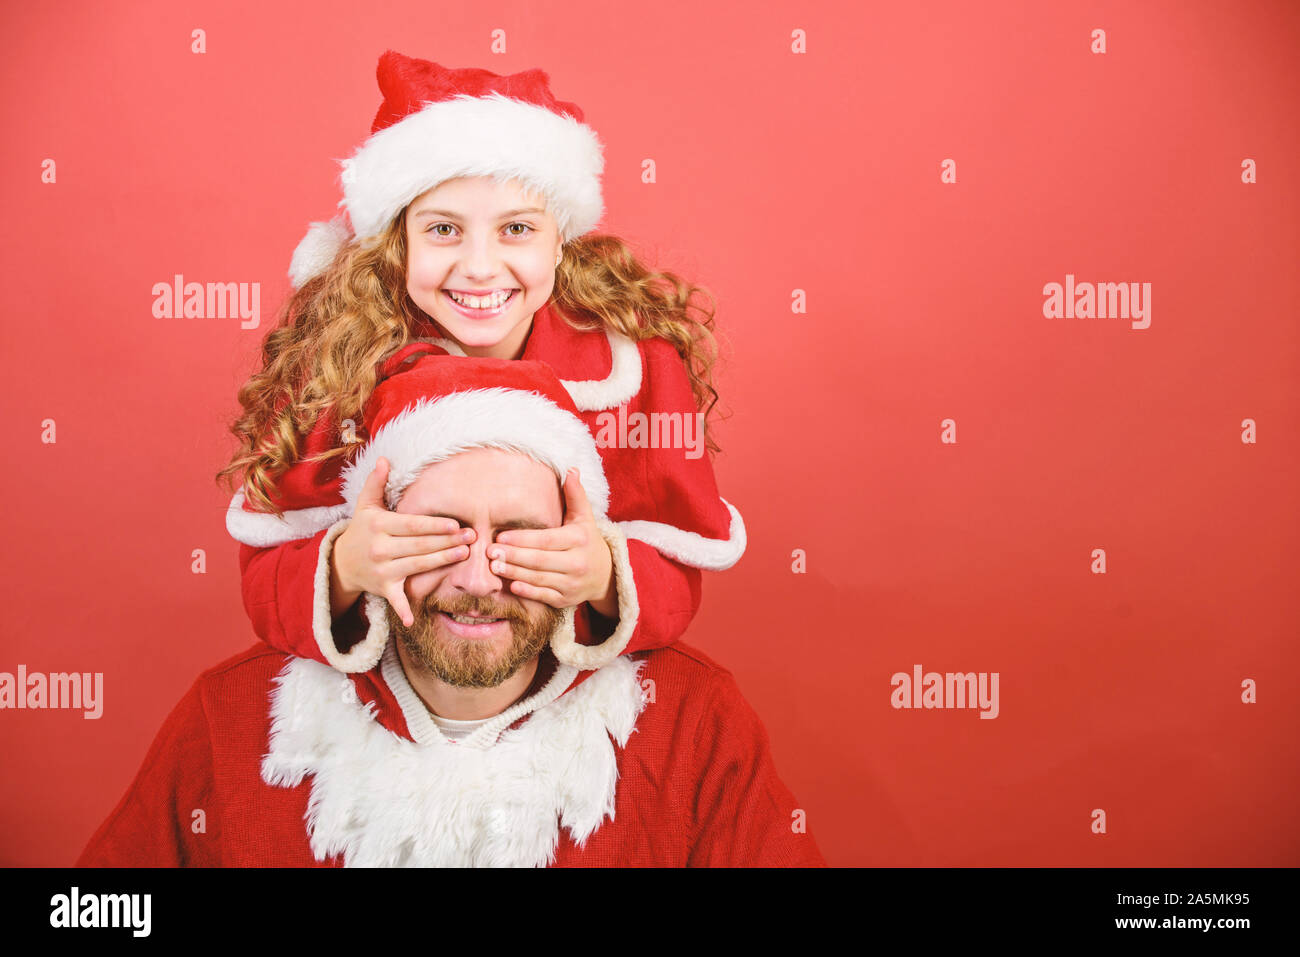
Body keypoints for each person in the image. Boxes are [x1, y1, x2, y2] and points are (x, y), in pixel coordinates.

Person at [80, 357, 824, 867]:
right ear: (369, 530)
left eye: (521, 538)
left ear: (583, 539)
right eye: (436, 534)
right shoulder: (231, 718)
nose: (477, 576)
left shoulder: (693, 721)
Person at [216, 52, 745, 677]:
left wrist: (604, 575)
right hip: (388, 689)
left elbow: (678, 582)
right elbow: (265, 585)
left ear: (561, 237)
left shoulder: (637, 363)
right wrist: (341, 568)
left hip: (562, 690)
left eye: (516, 229)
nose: (480, 267)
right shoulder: (332, 361)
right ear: (397, 241)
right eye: (443, 231)